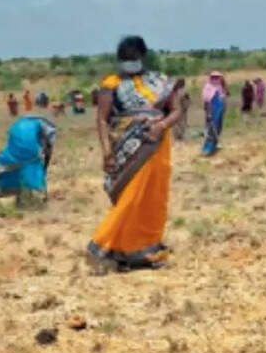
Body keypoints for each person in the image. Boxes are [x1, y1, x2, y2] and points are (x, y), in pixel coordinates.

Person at [89, 35, 183, 271]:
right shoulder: (110, 84)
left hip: (156, 146)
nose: (130, 63)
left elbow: (176, 111)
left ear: (142, 57)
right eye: (126, 58)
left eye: (134, 57)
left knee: (153, 197)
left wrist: (161, 125)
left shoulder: (160, 81)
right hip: (126, 148)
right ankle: (109, 245)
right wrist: (107, 151)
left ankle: (145, 249)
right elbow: (102, 119)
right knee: (130, 197)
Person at [0, 116, 57, 207]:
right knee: (33, 166)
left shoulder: (23, 123)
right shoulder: (49, 130)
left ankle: (18, 196)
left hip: (13, 147)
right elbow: (48, 151)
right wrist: (44, 168)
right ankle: (36, 197)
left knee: (19, 166)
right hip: (28, 149)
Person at [201, 72, 227, 156]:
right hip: (212, 111)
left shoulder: (220, 87)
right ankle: (207, 149)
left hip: (219, 111)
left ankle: (214, 146)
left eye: (217, 77)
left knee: (218, 128)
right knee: (211, 129)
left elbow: (223, 98)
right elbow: (206, 101)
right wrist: (208, 113)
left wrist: (223, 108)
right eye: (214, 77)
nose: (215, 79)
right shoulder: (208, 87)